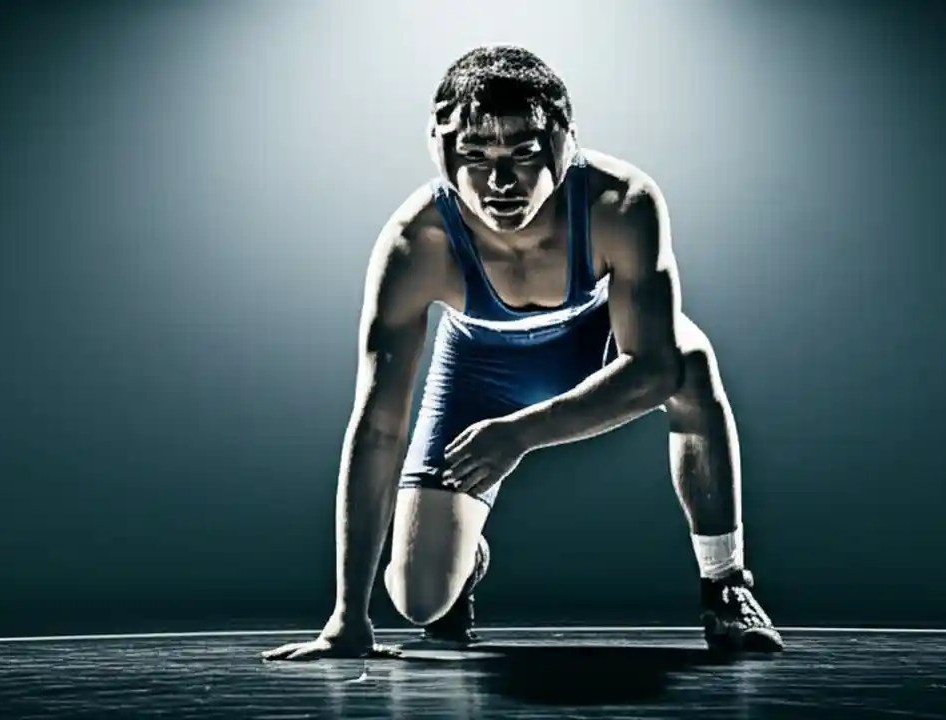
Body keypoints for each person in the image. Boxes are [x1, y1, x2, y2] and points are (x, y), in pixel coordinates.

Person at [264, 44, 782, 661]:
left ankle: (725, 585)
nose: (500, 182)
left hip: (597, 344)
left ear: (564, 141)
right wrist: (349, 617)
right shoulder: (417, 242)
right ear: (440, 149)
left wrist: (521, 433)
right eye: (475, 156)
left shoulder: (620, 203)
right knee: (418, 600)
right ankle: (462, 559)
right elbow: (378, 425)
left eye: (523, 152)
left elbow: (655, 368)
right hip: (478, 374)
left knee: (690, 364)